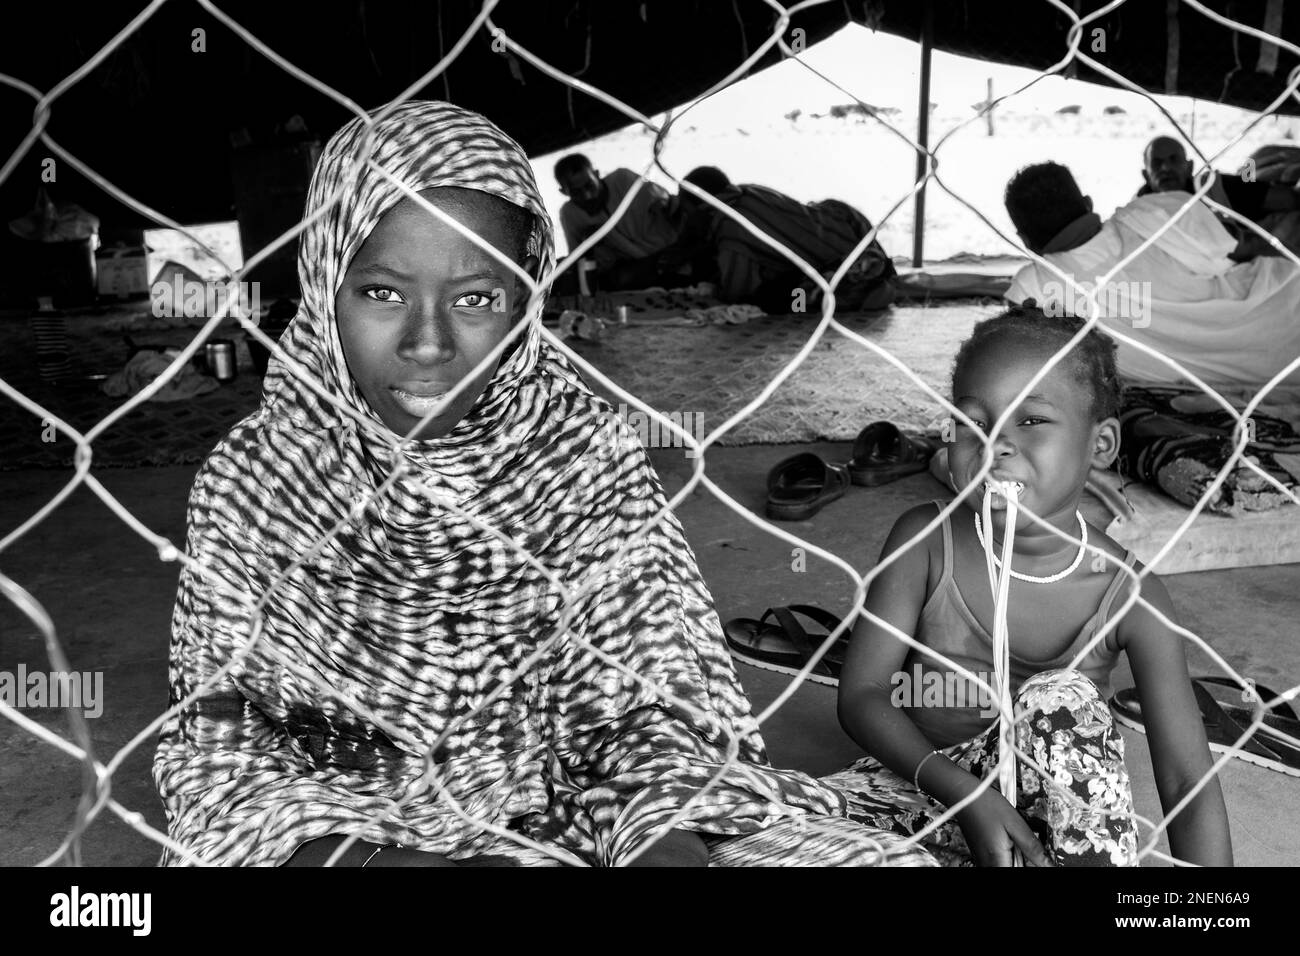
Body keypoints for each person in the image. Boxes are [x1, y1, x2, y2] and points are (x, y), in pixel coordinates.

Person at [153, 99, 937, 868]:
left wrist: (663, 845)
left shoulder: (581, 453)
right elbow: (220, 748)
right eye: (382, 292)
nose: (428, 344)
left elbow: (653, 716)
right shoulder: (252, 483)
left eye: (476, 300)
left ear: (528, 301)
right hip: (343, 812)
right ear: (324, 284)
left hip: (576, 810)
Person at [830, 306, 1233, 867]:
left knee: (1059, 700)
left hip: (1053, 834)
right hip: (921, 794)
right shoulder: (924, 539)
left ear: (1101, 445)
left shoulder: (1129, 594)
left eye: (1031, 421)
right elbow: (863, 696)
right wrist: (967, 797)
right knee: (739, 812)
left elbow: (1186, 776)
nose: (996, 445)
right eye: (973, 423)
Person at [1003, 161, 1300, 388]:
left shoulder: (1034, 288)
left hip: (1229, 382)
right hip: (1284, 324)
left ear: (1025, 240)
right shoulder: (1151, 214)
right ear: (1088, 204)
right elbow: (1246, 246)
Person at [676, 166, 895, 313]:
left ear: (703, 207)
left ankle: (814, 304)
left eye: (687, 213)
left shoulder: (731, 231)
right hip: (853, 235)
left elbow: (737, 291)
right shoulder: (751, 190)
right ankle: (873, 272)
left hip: (835, 274)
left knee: (773, 299)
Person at [1139, 135, 1300, 260]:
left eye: (1174, 160)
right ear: (1146, 175)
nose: (1166, 168)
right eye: (1157, 163)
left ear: (1189, 167)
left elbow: (1289, 199)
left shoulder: (1214, 189)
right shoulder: (1137, 215)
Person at [553, 154, 681, 289]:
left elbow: (670, 205)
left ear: (596, 175)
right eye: (576, 192)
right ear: (563, 192)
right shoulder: (570, 214)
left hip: (670, 251)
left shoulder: (623, 179)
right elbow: (578, 259)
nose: (587, 196)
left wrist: (662, 206)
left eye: (590, 186)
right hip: (634, 268)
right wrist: (591, 245)